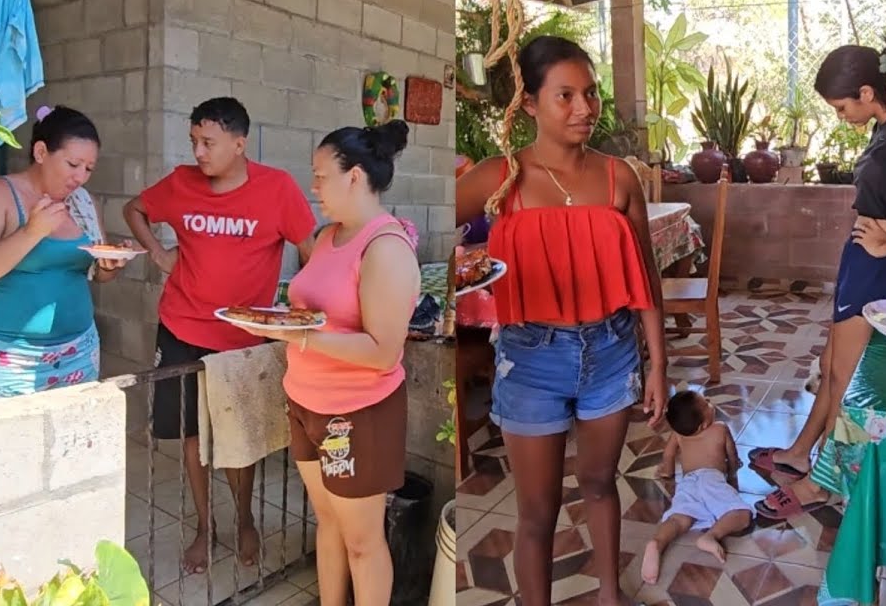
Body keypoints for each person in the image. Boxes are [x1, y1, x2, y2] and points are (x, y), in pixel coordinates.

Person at [455, 35, 669, 606]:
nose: (584, 109)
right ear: (528, 103)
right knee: (537, 511)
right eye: (566, 96)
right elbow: (424, 225)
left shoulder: (619, 176)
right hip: (530, 358)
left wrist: (658, 365)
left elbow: (645, 276)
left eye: (591, 94)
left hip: (611, 351)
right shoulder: (501, 178)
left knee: (601, 484)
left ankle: (608, 594)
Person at [749, 38, 886, 519]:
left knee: (845, 377)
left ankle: (825, 482)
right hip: (864, 261)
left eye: (841, 106)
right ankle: (801, 455)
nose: (840, 115)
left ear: (866, 91)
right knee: (832, 362)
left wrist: (885, 243)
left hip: (877, 265)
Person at [123, 96, 316, 574]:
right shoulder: (182, 184)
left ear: (239, 143)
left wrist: (307, 312)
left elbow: (311, 250)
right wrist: (159, 255)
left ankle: (246, 519)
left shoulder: (277, 189)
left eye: (208, 142)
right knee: (192, 435)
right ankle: (205, 527)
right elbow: (134, 210)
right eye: (194, 141)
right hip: (182, 326)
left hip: (241, 339)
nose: (199, 152)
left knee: (238, 438)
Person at [231, 120, 418, 606]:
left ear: (354, 176)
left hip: (358, 412)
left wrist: (300, 335)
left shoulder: (386, 247)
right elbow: (312, 310)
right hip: (305, 402)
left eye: (320, 175)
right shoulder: (327, 235)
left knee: (362, 541)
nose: (312, 186)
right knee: (329, 524)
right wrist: (283, 323)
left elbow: (382, 352)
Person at [0, 106, 135, 402]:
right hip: (11, 359)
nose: (80, 177)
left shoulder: (82, 203)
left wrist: (111, 265)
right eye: (73, 164)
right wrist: (31, 232)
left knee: (74, 445)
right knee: (12, 446)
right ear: (40, 152)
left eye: (88, 169)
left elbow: (96, 275)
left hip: (79, 349)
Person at [642, 390, 750, 585]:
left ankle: (657, 543)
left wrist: (667, 473)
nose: (710, 401)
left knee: (679, 518)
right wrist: (733, 473)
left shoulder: (677, 435)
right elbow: (732, 455)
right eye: (706, 404)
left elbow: (668, 456)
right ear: (703, 424)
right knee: (741, 514)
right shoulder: (720, 429)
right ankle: (711, 536)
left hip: (687, 482)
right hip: (712, 479)